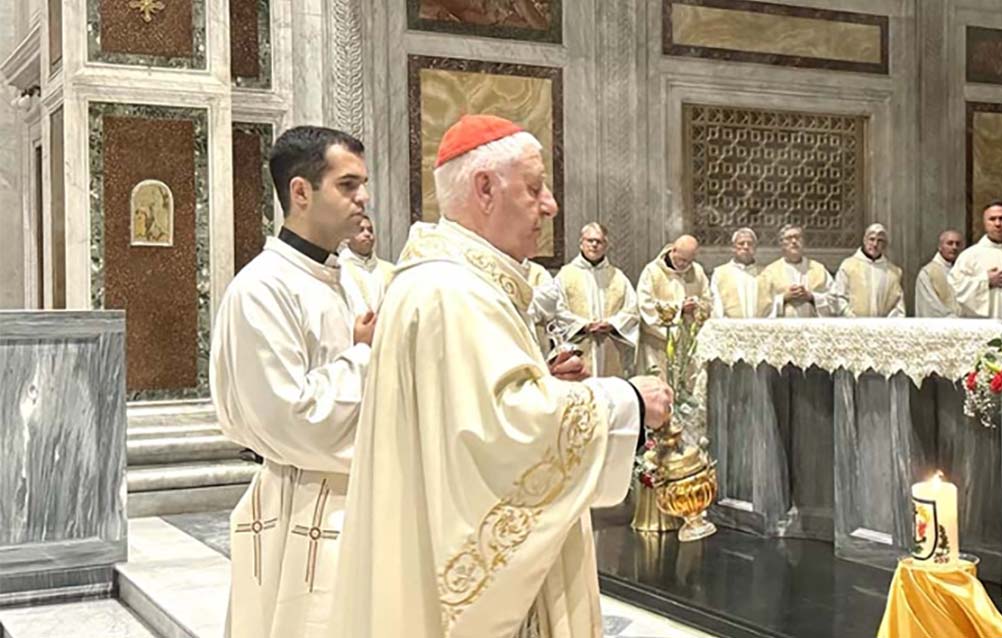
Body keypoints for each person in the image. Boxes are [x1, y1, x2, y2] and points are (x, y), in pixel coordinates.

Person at [328, 115, 673, 638]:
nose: (551, 204)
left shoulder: (442, 279)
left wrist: (548, 382)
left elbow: (469, 415)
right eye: (535, 187)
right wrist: (626, 399)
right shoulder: (454, 291)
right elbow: (504, 434)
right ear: (485, 188)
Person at [209, 125, 376, 638]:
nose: (364, 198)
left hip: (365, 496)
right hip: (301, 506)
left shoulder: (352, 278)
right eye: (347, 185)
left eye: (363, 184)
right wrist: (368, 355)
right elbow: (293, 418)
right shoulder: (261, 289)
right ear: (300, 192)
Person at [554, 223, 641, 377]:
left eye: (599, 242)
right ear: (581, 243)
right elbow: (557, 309)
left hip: (609, 347)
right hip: (578, 346)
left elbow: (632, 310)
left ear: (606, 245)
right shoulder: (566, 274)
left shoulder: (617, 276)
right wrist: (583, 326)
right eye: (590, 241)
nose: (594, 245)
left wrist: (612, 324)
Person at [636, 234, 710, 373]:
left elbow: (708, 301)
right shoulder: (652, 271)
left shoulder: (697, 271)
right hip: (657, 345)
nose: (684, 265)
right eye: (682, 259)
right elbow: (645, 305)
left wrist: (696, 306)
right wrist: (679, 308)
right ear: (673, 250)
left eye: (689, 261)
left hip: (687, 343)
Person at [949, 201, 1002, 319]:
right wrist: (985, 281)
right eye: (992, 219)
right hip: (983, 327)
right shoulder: (969, 256)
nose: (998, 223)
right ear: (984, 223)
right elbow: (954, 290)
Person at [757, 224, 837, 318]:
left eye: (798, 237)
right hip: (783, 329)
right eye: (789, 238)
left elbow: (835, 300)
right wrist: (784, 298)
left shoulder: (818, 269)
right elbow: (761, 307)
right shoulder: (770, 272)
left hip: (812, 328)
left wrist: (811, 297)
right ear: (781, 243)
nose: (794, 241)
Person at [831, 223, 904, 318]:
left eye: (880, 240)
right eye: (872, 239)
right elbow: (838, 296)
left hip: (883, 329)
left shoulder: (893, 272)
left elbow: (898, 306)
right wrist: (851, 319)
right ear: (864, 240)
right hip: (852, 326)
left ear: (885, 245)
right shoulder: (848, 266)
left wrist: (887, 325)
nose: (875, 244)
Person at [338, 213, 395, 315]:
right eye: (361, 230)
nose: (367, 234)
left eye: (370, 230)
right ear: (347, 237)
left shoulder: (389, 270)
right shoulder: (338, 269)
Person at [709, 227, 762, 319]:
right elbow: (717, 306)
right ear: (733, 247)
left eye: (750, 244)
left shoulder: (765, 273)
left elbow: (771, 306)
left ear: (755, 248)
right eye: (741, 243)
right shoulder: (720, 273)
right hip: (730, 328)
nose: (746, 247)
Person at [914, 229, 964, 318]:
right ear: (940, 246)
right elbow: (929, 305)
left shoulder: (964, 270)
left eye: (958, 244)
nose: (954, 247)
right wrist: (953, 319)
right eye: (950, 243)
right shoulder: (928, 272)